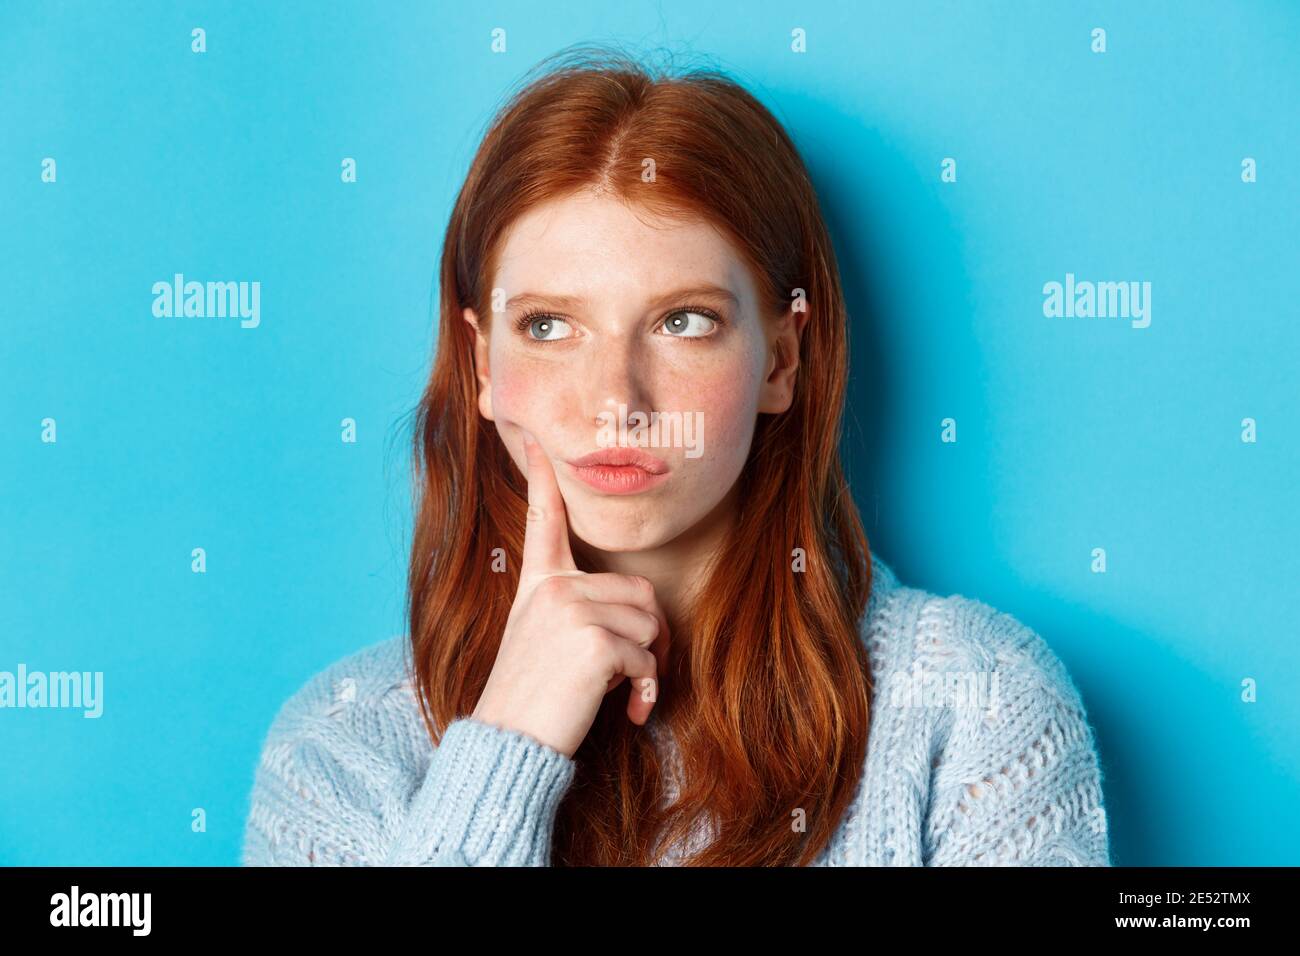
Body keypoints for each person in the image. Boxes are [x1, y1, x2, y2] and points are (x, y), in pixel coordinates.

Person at [241, 45, 1110, 867]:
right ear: (482, 367)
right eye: (548, 327)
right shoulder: (338, 749)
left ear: (780, 359)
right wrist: (506, 747)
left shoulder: (978, 706)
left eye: (682, 322)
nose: (617, 402)